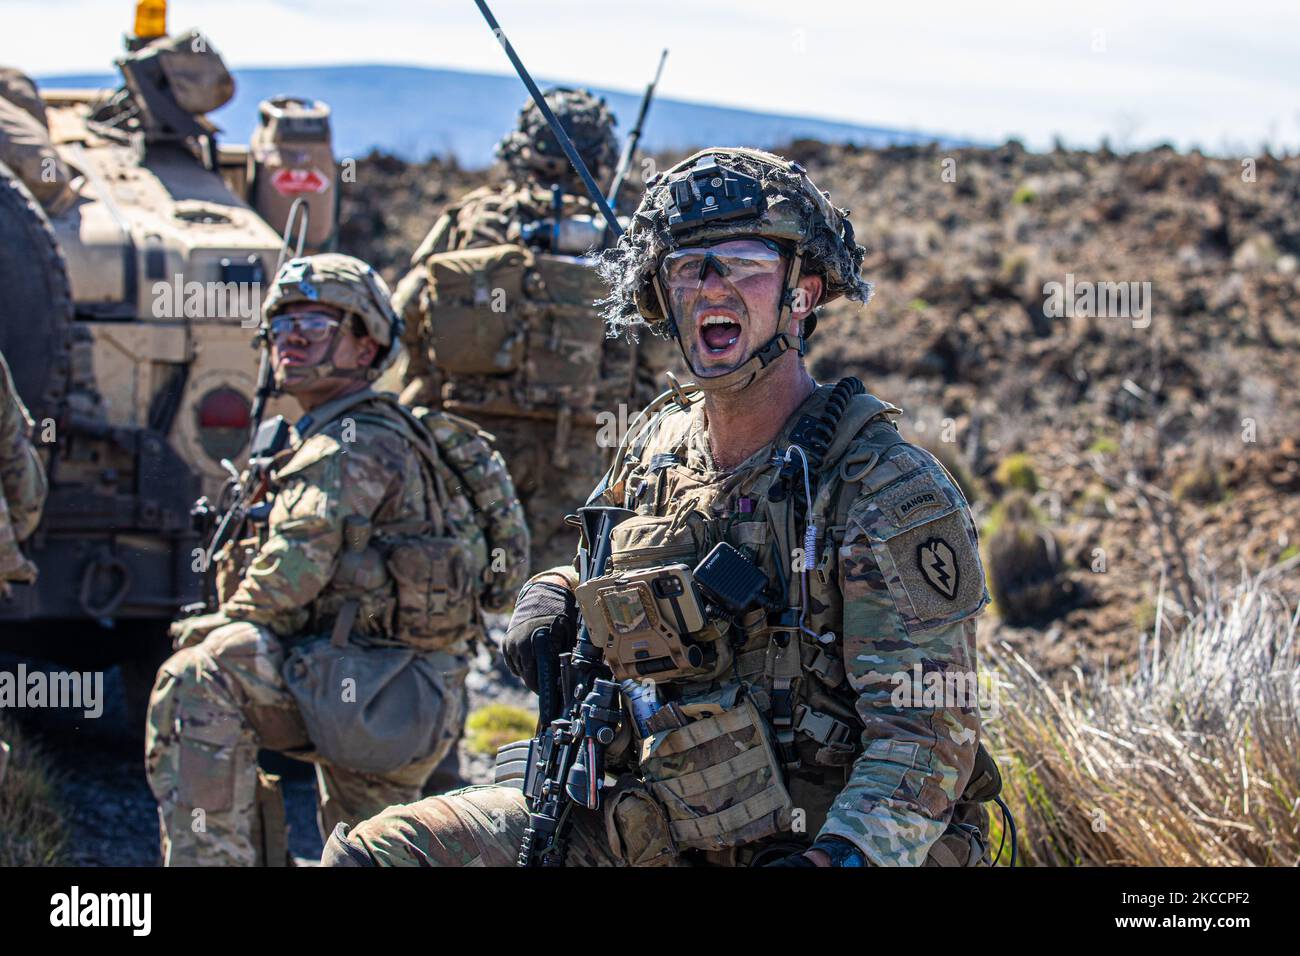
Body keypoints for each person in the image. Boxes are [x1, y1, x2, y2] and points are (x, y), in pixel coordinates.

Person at [323, 148, 999, 868]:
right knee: (381, 856)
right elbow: (602, 571)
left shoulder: (883, 487)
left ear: (802, 295)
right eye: (687, 269)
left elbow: (926, 740)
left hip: (823, 840)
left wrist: (838, 857)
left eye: (743, 264)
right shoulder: (657, 445)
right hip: (655, 821)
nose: (711, 288)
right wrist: (554, 592)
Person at [145, 253, 527, 865]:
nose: (291, 338)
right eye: (281, 324)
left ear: (365, 346)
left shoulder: (348, 443)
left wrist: (223, 622)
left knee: (200, 674)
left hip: (373, 694)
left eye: (316, 324)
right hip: (394, 692)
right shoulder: (374, 430)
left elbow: (294, 567)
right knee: (366, 850)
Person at [392, 87, 673, 571]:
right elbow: (657, 342)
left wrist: (424, 385)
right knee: (562, 580)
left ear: (522, 148)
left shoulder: (475, 217)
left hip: (468, 429)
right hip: (585, 441)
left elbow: (407, 309)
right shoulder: (624, 231)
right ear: (603, 154)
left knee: (464, 564)